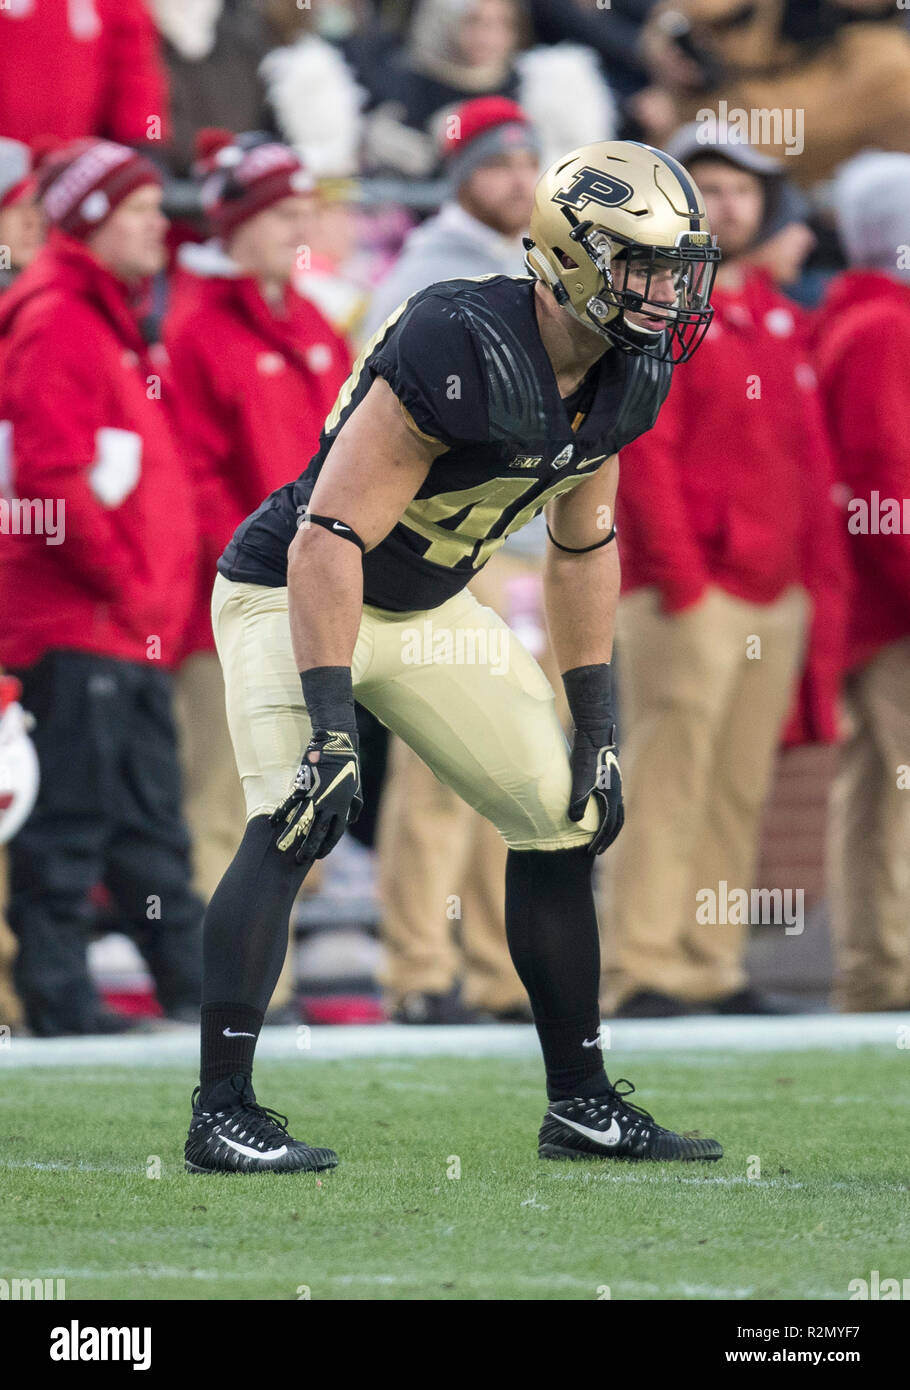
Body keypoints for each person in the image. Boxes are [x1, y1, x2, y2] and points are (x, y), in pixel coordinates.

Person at [182, 138, 725, 1174]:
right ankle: (222, 1111)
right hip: (291, 586)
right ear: (572, 256)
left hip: (430, 603)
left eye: (673, 267)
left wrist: (597, 724)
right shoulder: (458, 337)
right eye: (642, 264)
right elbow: (328, 538)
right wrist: (333, 726)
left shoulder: (632, 369)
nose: (664, 291)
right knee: (298, 810)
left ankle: (580, 1103)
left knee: (562, 818)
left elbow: (581, 547)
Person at [601, 130, 845, 1018]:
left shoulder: (779, 315)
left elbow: (807, 465)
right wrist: (681, 580)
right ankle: (640, 965)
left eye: (742, 191)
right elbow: (644, 453)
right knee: (669, 779)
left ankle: (709, 962)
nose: (728, 206)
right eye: (707, 190)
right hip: (689, 593)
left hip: (770, 591)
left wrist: (810, 584)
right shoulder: (662, 313)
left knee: (737, 785)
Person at [0, 139, 202, 1035]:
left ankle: (201, 996)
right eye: (140, 210)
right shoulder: (60, 319)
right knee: (69, 829)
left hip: (121, 625)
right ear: (89, 219)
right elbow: (51, 479)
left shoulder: (103, 315)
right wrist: (126, 582)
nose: (161, 225)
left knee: (147, 828)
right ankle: (60, 1001)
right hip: (76, 621)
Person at [165, 131, 352, 1017]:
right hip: (238, 597)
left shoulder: (311, 322)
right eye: (280, 211)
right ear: (234, 223)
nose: (299, 225)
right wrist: (247, 566)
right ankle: (234, 995)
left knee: (305, 789)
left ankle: (268, 986)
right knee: (229, 796)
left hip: (311, 597)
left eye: (305, 209)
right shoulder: (197, 326)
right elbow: (191, 473)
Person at [813, 153, 910, 1012]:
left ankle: (879, 971)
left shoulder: (865, 319)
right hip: (895, 598)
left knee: (881, 789)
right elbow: (885, 474)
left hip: (880, 594)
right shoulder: (885, 327)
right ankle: (883, 968)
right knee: (891, 791)